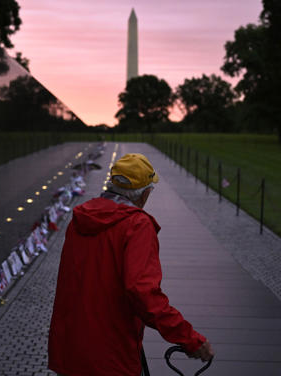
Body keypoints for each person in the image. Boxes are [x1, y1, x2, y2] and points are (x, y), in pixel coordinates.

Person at [48, 153, 214, 375]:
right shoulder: (136, 225)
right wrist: (189, 338)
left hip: (70, 348)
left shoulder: (80, 219)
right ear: (144, 193)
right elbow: (143, 293)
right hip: (110, 353)